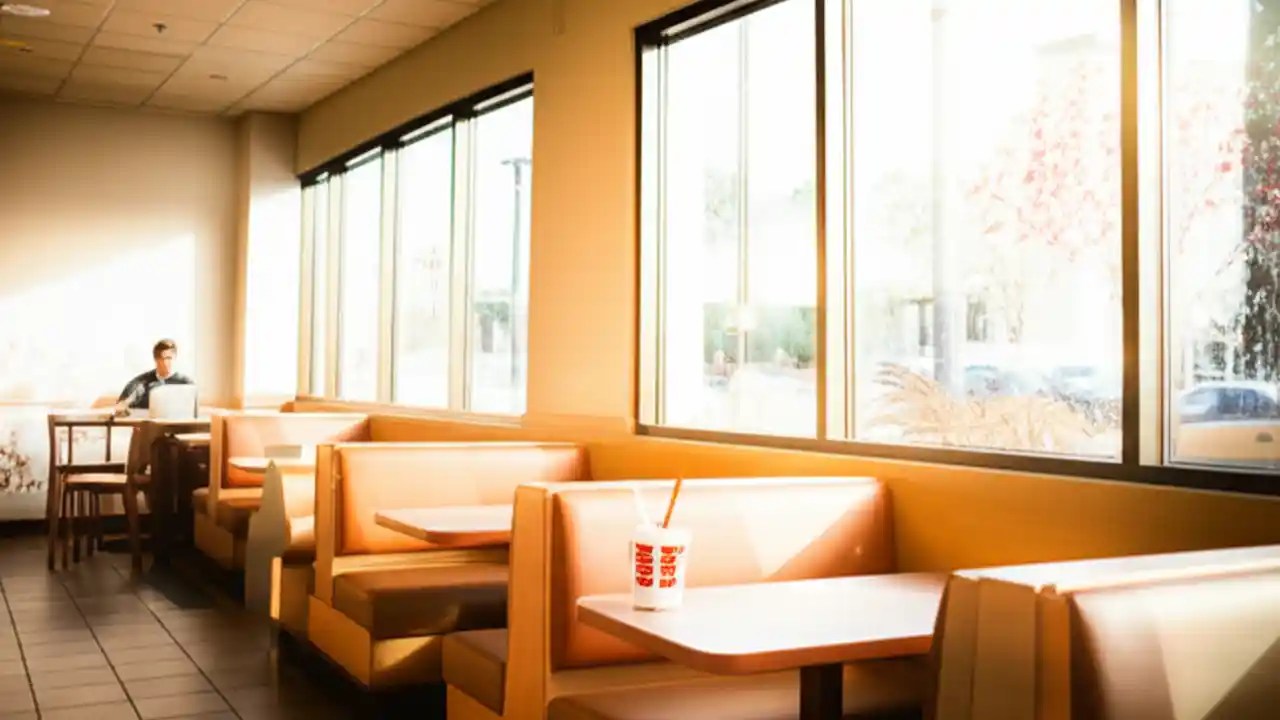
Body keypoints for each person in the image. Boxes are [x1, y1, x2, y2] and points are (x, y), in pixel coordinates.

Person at [114, 339, 195, 415]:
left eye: (169, 358)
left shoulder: (186, 384)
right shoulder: (140, 382)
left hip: (177, 427)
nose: (165, 363)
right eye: (161, 359)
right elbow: (119, 407)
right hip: (147, 427)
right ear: (155, 359)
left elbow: (193, 411)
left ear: (175, 357)